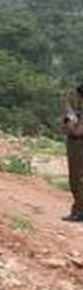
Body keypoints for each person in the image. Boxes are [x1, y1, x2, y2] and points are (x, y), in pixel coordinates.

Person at [63, 83, 83, 222]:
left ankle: (79, 211)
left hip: (78, 147)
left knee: (77, 179)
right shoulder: (79, 111)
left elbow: (78, 132)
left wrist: (69, 124)